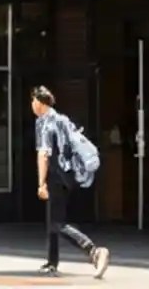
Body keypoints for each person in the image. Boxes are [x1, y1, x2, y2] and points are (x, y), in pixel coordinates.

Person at [31, 86, 110, 279]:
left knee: (57, 223)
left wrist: (41, 183)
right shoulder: (62, 119)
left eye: (33, 101)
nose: (32, 105)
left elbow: (43, 154)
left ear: (40, 103)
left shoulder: (44, 123)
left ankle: (93, 250)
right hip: (69, 176)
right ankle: (52, 263)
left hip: (55, 177)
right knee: (53, 220)